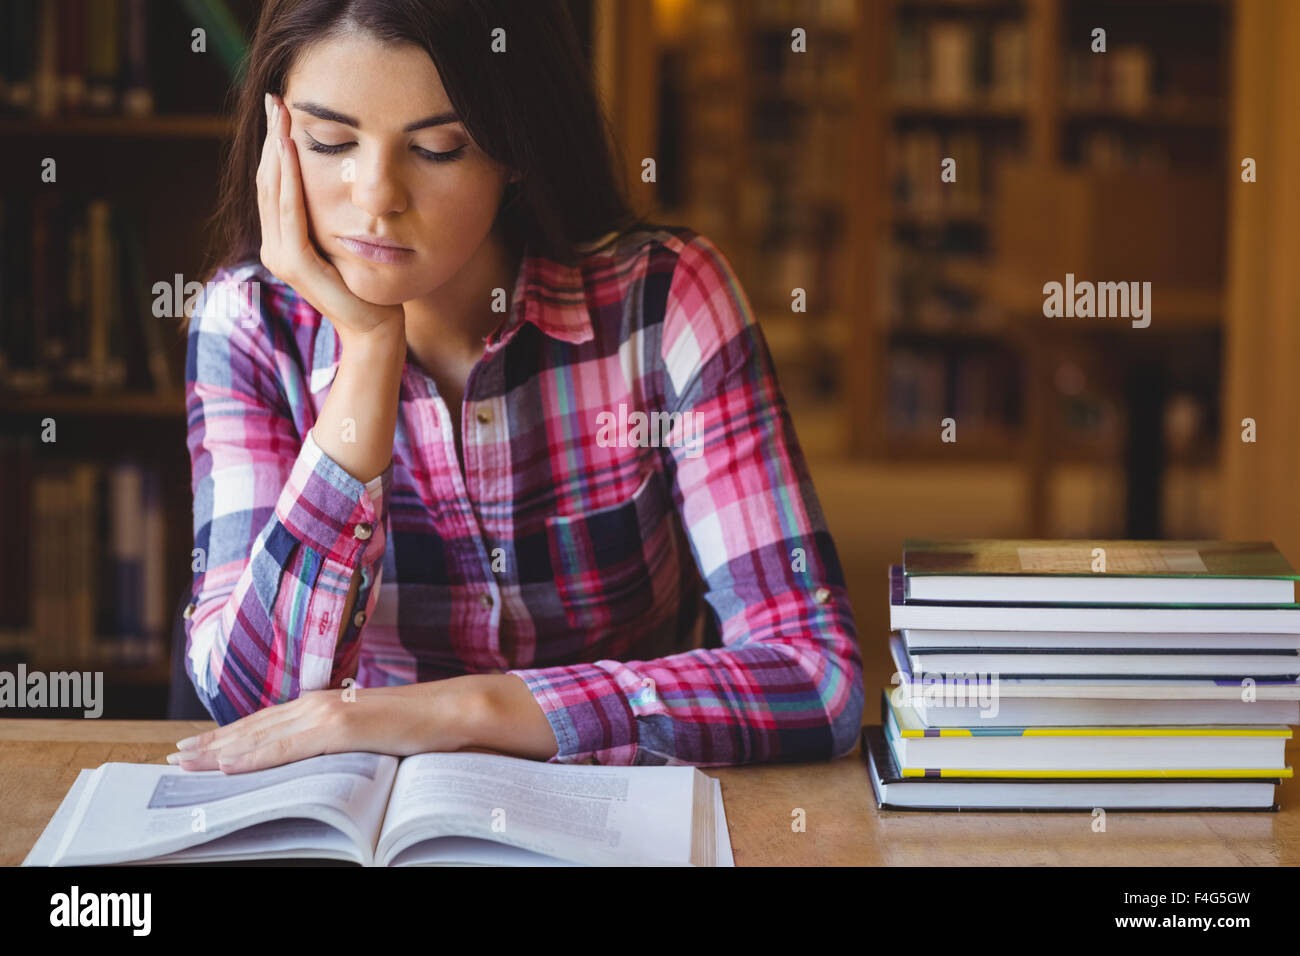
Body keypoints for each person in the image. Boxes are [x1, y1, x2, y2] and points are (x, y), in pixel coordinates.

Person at [171, 0, 863, 773]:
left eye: (437, 148)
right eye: (330, 141)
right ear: (275, 139)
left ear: (515, 151)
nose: (375, 197)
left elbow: (817, 676)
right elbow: (254, 709)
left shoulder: (664, 304)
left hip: (614, 814)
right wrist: (369, 350)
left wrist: (475, 708)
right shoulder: (248, 324)